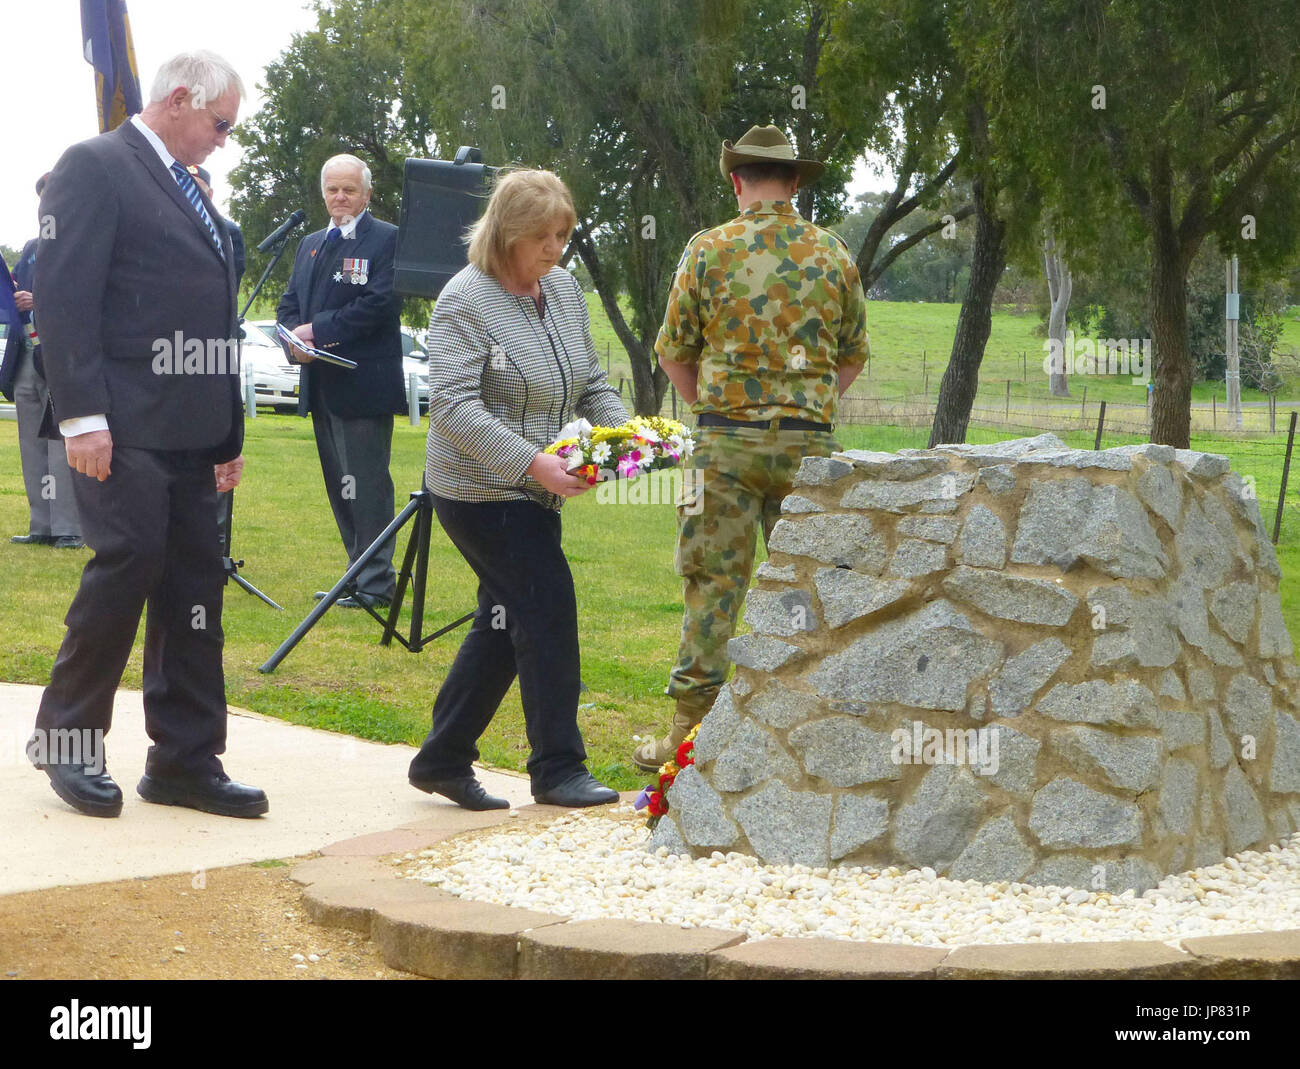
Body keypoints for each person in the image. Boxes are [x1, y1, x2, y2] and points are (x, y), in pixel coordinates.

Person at [30, 50, 266, 819]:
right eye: (220, 122)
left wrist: (227, 435)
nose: (225, 140)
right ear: (177, 99)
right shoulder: (97, 166)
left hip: (195, 435)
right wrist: (82, 418)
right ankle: (66, 739)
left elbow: (215, 318)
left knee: (197, 587)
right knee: (127, 562)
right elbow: (66, 298)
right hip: (122, 424)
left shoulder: (194, 188)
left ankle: (186, 760)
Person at [632, 125, 870, 772]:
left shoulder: (708, 251)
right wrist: (805, 407)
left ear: (736, 180)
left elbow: (673, 352)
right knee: (814, 594)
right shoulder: (834, 254)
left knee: (712, 589)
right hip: (809, 449)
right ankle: (818, 742)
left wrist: (718, 413)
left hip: (722, 447)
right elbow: (850, 359)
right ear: (794, 182)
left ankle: (690, 746)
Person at [408, 169, 628, 810]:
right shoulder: (464, 299)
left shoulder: (561, 290)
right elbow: (450, 404)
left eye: (563, 235)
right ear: (507, 234)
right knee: (548, 610)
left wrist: (624, 439)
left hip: (539, 488)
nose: (556, 250)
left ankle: (442, 758)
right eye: (544, 238)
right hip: (478, 491)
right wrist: (533, 464)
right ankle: (558, 768)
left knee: (504, 623)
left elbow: (590, 381)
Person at [276, 154, 404, 610]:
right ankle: (355, 574)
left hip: (363, 387)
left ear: (367, 194)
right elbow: (290, 302)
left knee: (366, 485)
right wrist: (291, 337)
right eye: (333, 189)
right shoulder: (311, 243)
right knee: (340, 485)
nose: (340, 197)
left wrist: (318, 330)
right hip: (322, 386)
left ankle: (376, 586)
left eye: (349, 189)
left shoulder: (388, 240)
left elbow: (380, 304)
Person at [0, 173, 83, 549]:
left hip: (63, 359)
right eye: (42, 198)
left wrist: (41, 302)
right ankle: (42, 526)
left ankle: (69, 528)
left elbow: (91, 301)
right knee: (32, 446)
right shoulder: (33, 246)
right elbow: (16, 289)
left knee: (61, 444)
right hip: (25, 360)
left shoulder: (85, 242)